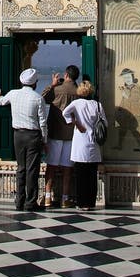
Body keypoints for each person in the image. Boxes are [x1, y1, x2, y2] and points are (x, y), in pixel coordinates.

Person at [0, 68, 48, 212]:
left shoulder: (13, 94)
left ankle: (19, 200)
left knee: (21, 168)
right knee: (32, 169)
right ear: (35, 83)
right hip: (33, 136)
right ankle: (30, 202)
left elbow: (1, 101)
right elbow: (42, 121)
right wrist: (44, 140)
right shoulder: (38, 98)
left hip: (18, 135)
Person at [62, 80, 106, 210]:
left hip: (80, 142)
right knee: (92, 175)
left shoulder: (76, 103)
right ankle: (90, 202)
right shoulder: (97, 105)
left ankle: (81, 203)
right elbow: (105, 123)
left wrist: (75, 122)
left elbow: (64, 113)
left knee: (81, 175)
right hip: (93, 143)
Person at [41, 64, 79, 208]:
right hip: (71, 135)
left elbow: (42, 98)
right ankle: (65, 198)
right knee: (67, 168)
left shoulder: (57, 89)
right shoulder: (78, 91)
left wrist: (52, 84)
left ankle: (47, 197)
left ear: (66, 75)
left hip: (55, 133)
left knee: (51, 167)